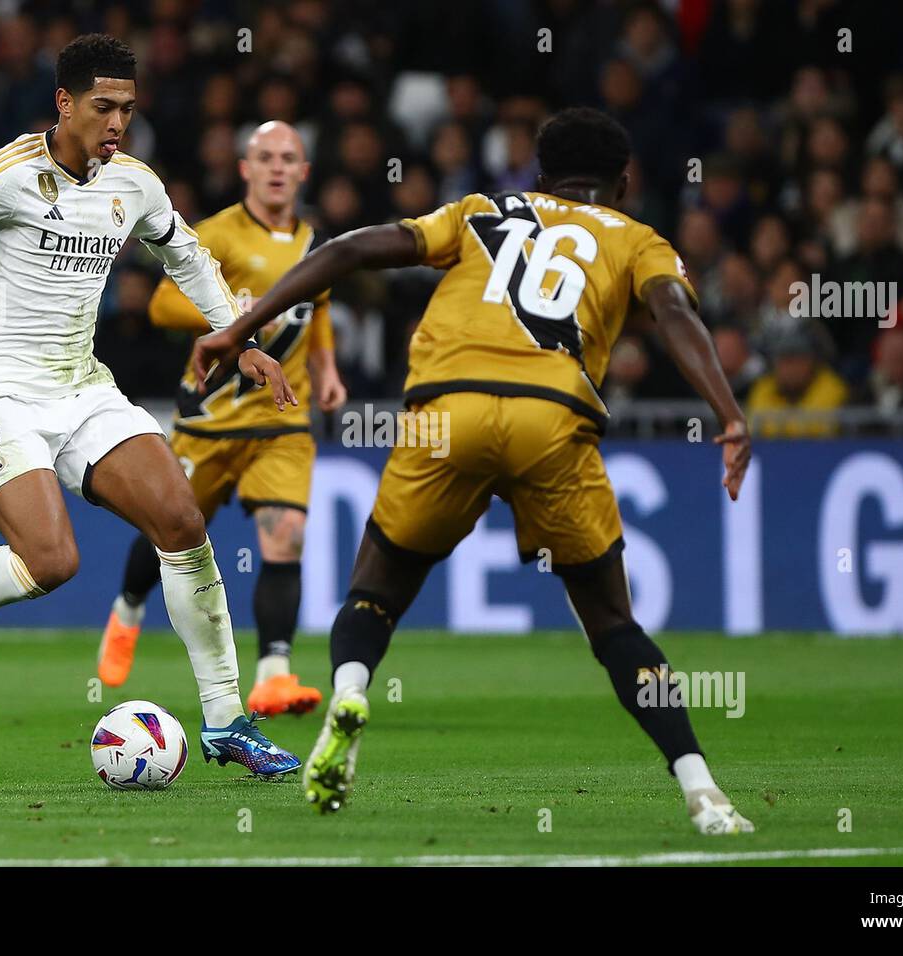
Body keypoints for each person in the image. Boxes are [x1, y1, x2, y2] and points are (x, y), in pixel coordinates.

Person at [194, 108, 756, 834]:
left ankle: (352, 691)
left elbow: (354, 249)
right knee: (614, 625)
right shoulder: (637, 238)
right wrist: (729, 412)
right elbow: (674, 310)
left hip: (442, 417)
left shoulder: (483, 211)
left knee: (376, 591)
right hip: (551, 421)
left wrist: (243, 325)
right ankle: (702, 790)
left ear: (541, 176)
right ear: (622, 182)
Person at [0, 34, 301, 779]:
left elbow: (184, 252)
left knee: (183, 522)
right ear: (64, 102)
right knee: (52, 562)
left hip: (82, 387)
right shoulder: (8, 175)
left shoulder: (134, 185)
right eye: (103, 107)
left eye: (128, 109)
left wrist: (238, 337)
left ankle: (225, 722)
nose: (118, 123)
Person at [99, 120, 347, 718]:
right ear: (246, 169)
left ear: (304, 171)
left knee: (286, 534)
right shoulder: (215, 234)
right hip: (208, 421)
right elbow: (159, 303)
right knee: (171, 531)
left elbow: (316, 313)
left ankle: (273, 677)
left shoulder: (316, 245)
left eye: (290, 157)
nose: (278, 167)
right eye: (266, 157)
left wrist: (328, 367)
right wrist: (225, 315)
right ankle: (129, 607)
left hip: (283, 421)